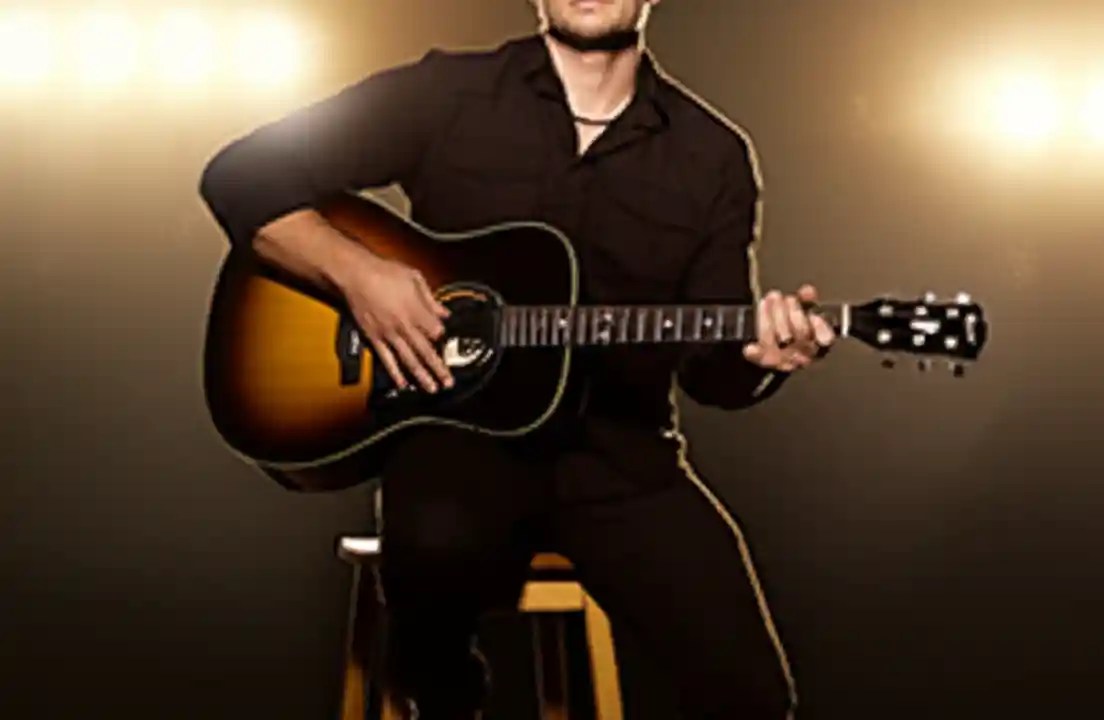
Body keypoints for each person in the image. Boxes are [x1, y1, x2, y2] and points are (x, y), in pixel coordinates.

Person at [198, 1, 833, 717]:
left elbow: (712, 372)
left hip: (621, 462)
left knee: (750, 696)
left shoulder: (712, 154)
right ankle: (442, 694)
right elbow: (241, 174)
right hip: (458, 441)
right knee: (437, 542)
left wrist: (765, 356)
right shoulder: (448, 94)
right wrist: (360, 276)